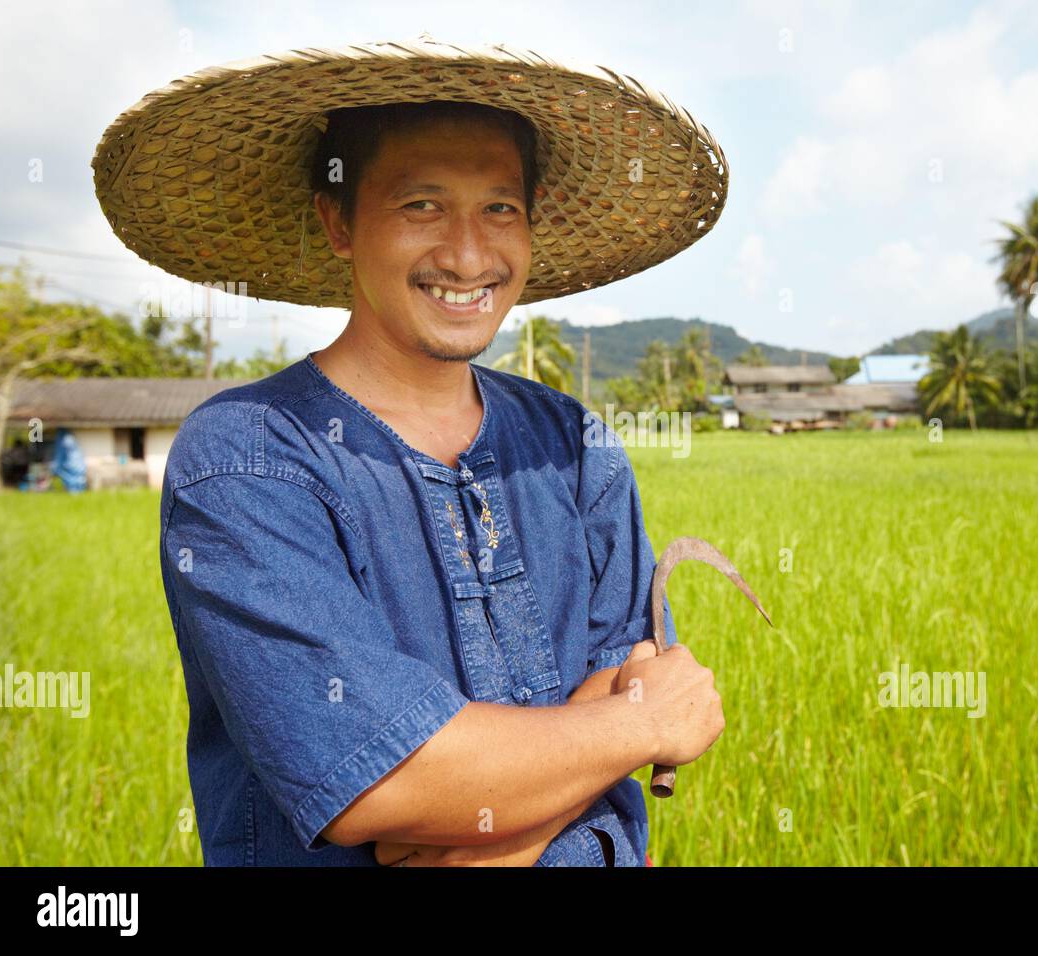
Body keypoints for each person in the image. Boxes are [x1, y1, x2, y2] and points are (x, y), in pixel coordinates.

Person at [93, 37, 731, 866]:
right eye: (421, 206)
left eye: (499, 208)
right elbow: (378, 780)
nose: (468, 256)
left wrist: (474, 834)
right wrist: (637, 725)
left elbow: (623, 688)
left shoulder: (575, 450)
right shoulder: (248, 458)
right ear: (338, 221)